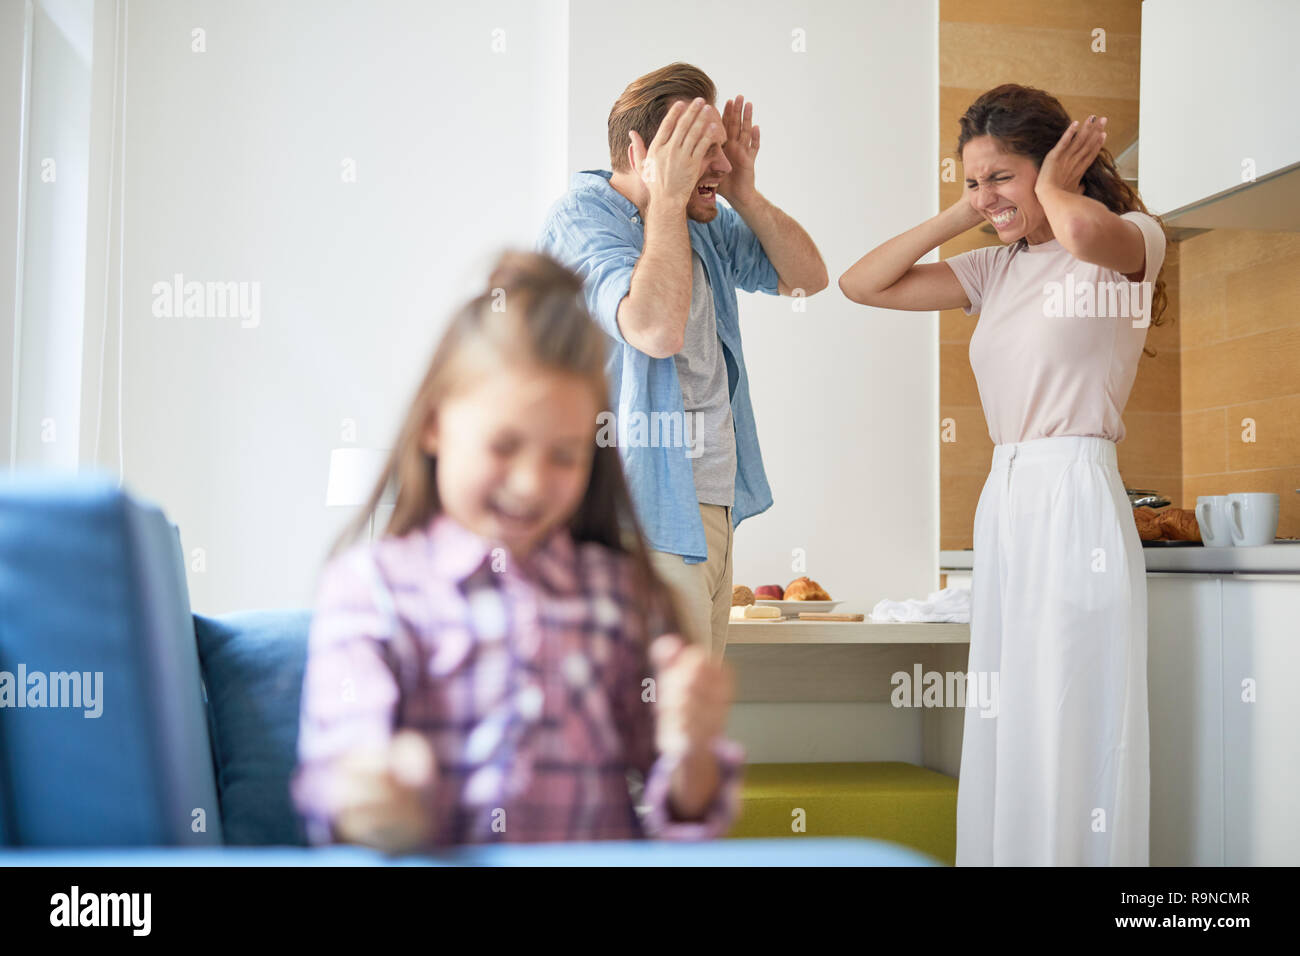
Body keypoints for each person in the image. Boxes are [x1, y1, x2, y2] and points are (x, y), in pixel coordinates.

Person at [291, 250, 743, 851]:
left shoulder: (619, 594)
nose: (531, 483)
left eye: (564, 454)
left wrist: (691, 754)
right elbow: (338, 778)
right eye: (503, 445)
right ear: (433, 426)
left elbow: (680, 810)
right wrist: (379, 795)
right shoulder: (371, 588)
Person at [839, 84, 1168, 866]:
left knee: (1074, 708)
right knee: (1013, 715)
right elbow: (862, 284)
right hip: (1008, 498)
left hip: (1075, 494)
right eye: (971, 178)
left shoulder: (1132, 241)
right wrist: (965, 212)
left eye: (1001, 176)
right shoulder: (992, 269)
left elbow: (1086, 232)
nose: (987, 195)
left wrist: (1053, 187)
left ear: (1058, 164)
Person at [538, 62, 828, 660]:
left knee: (692, 721)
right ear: (645, 152)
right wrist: (667, 200)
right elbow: (652, 328)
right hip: (634, 515)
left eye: (722, 150)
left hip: (710, 507)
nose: (721, 165)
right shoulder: (582, 220)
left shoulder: (704, 223)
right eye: (704, 151)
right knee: (655, 725)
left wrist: (743, 191)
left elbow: (807, 280)